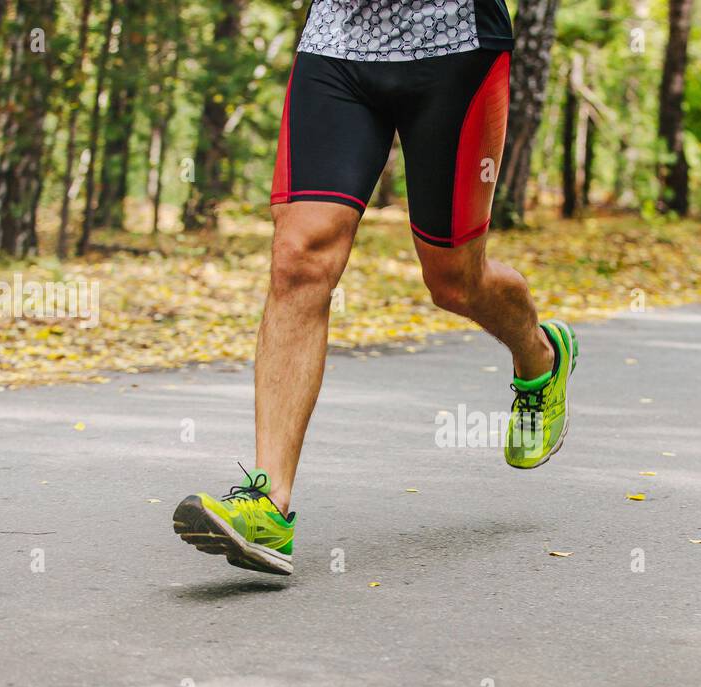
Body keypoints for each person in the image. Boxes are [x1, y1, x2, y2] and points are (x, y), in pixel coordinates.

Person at [172, 0, 577, 575]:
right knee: (298, 258)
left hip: (455, 47)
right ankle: (267, 506)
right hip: (337, 42)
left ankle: (539, 353)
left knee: (454, 280)